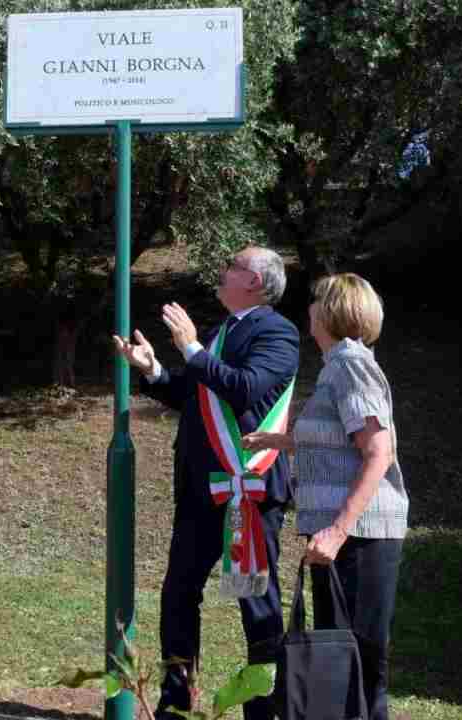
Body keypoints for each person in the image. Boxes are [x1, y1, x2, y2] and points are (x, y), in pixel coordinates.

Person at [112, 246, 299, 720]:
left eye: (233, 265)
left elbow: (244, 389)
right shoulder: (222, 332)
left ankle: (265, 710)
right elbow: (195, 396)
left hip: (246, 490)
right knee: (178, 593)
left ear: (255, 281)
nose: (223, 270)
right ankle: (176, 705)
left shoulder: (277, 331)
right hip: (203, 491)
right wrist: (153, 369)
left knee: (253, 600)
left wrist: (193, 348)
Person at [244, 272, 406, 720]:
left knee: (360, 661)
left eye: (315, 302)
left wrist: (337, 531)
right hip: (339, 537)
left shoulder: (351, 364)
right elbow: (338, 438)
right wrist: (278, 442)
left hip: (360, 535)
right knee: (341, 657)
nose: (309, 310)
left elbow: (378, 452)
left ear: (332, 311)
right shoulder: (337, 366)